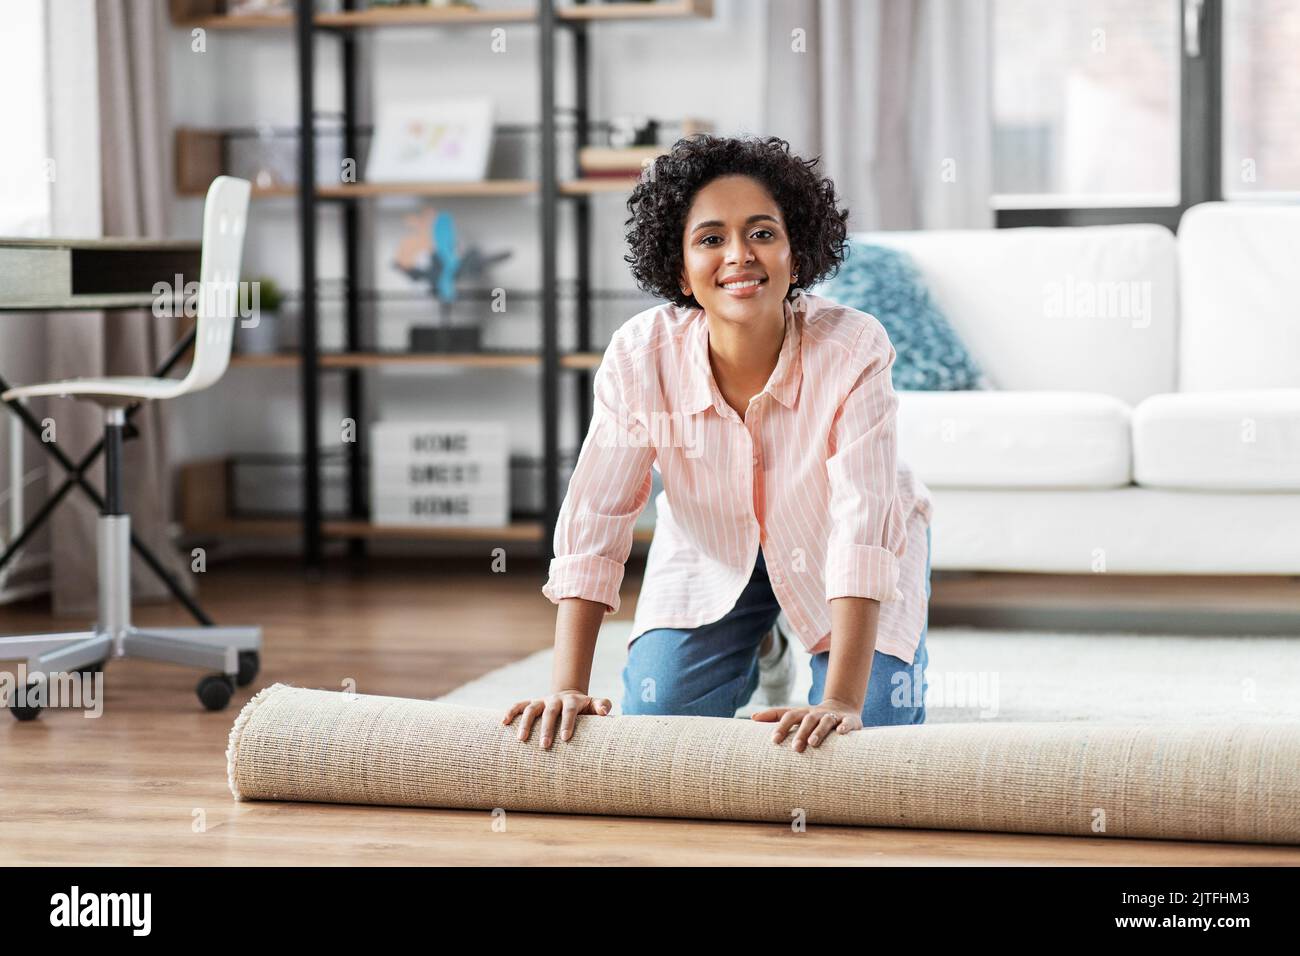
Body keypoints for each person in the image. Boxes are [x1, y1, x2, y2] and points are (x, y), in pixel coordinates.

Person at [503, 134, 933, 754]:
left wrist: (839, 701)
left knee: (869, 738)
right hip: (712, 552)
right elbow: (597, 516)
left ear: (795, 250)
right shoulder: (639, 356)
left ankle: (801, 634)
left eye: (762, 233)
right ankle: (765, 638)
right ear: (679, 267)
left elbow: (864, 522)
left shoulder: (854, 347)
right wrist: (567, 685)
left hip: (844, 550)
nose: (739, 255)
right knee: (659, 727)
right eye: (711, 239)